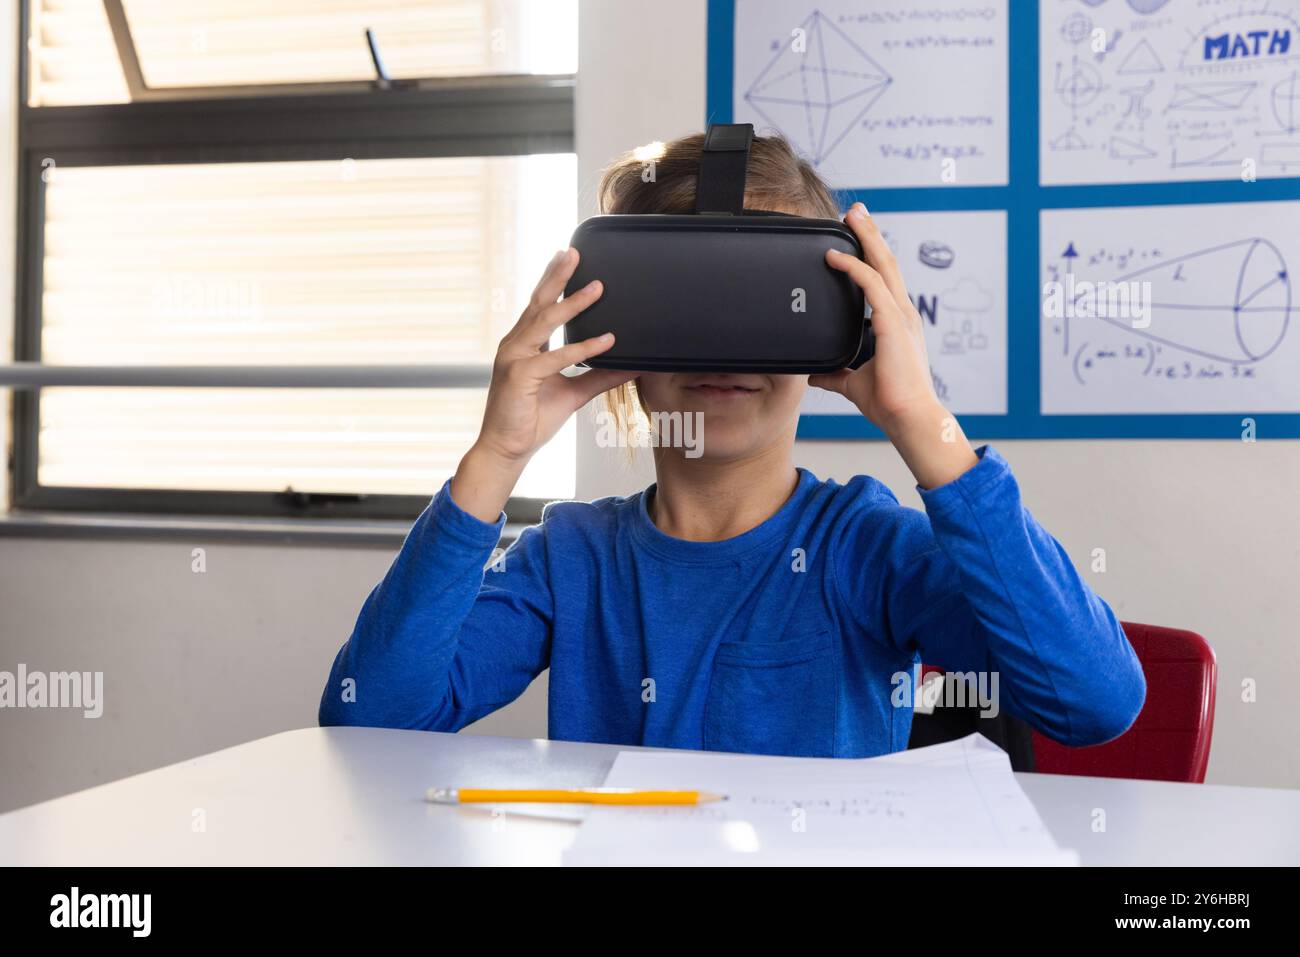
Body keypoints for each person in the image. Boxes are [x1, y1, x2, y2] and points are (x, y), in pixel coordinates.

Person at [319, 131, 1146, 758]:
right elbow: (371, 719)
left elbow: (1094, 701)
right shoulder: (570, 559)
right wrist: (495, 460)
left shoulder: (866, 546)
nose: (724, 350)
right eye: (686, 303)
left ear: (836, 331)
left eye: (770, 305)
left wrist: (921, 424)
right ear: (620, 339)